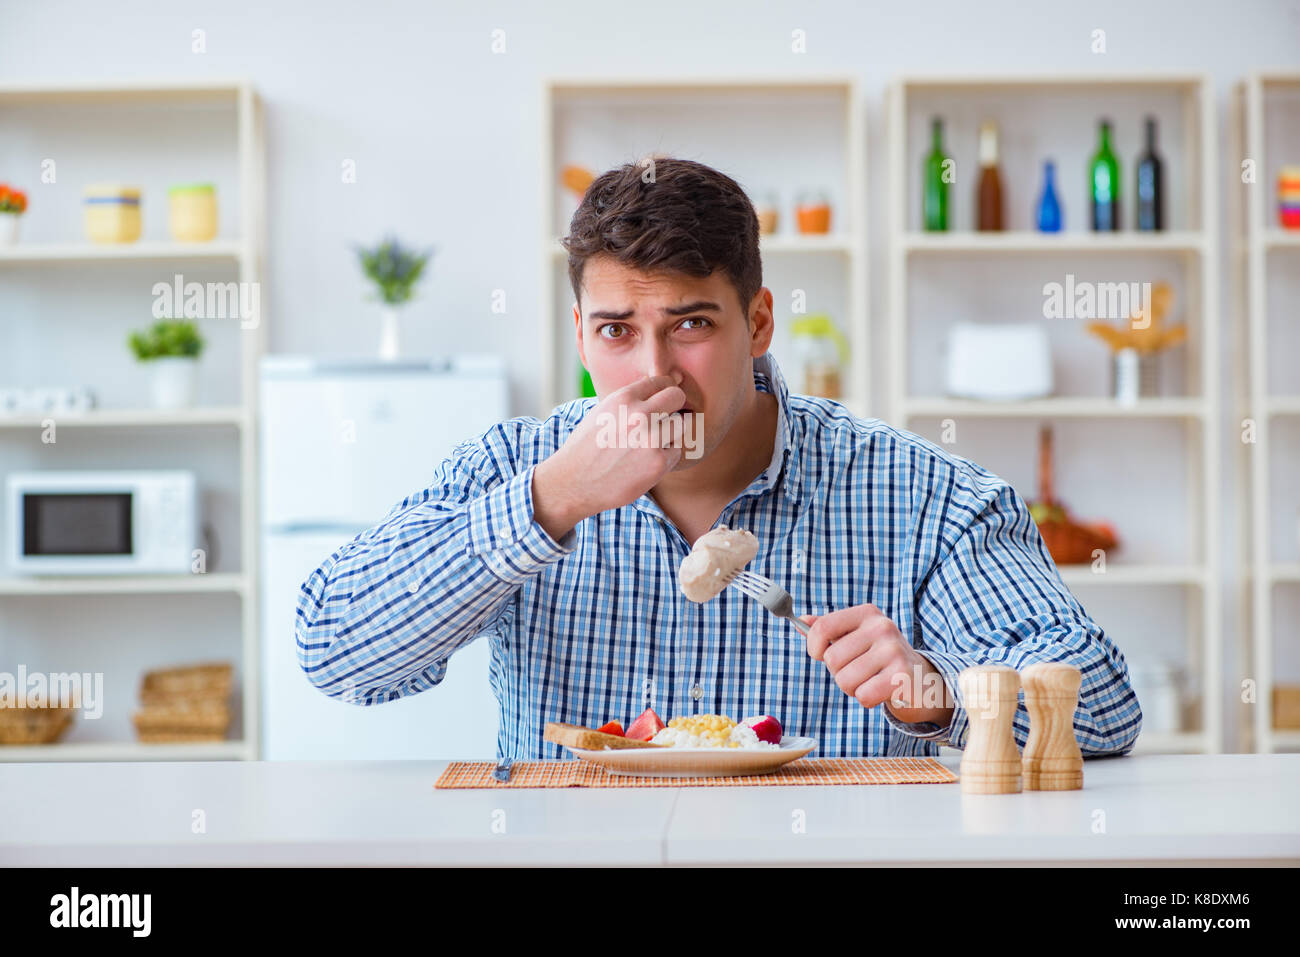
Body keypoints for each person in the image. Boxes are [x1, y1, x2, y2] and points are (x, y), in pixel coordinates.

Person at [296, 157, 1142, 760]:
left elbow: (1103, 705)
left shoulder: (927, 496)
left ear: (761, 323)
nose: (654, 370)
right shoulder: (515, 468)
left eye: (692, 324)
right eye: (616, 332)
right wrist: (548, 503)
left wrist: (942, 694)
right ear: (580, 335)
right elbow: (333, 650)